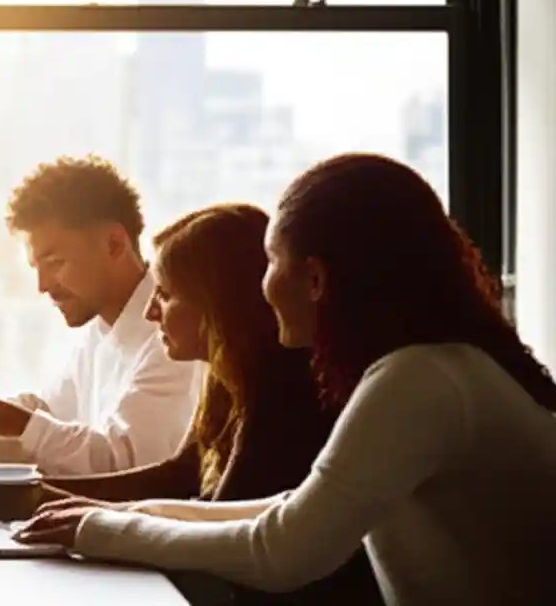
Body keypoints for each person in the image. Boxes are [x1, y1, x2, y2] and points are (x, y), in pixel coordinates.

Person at [16, 154, 556, 605]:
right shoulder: (426, 368)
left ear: (316, 279)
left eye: (271, 260)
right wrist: (118, 516)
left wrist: (102, 530)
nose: (262, 283)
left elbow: (282, 550)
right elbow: (290, 506)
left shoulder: (420, 380)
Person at [39, 203, 378, 604]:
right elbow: (181, 475)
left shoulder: (284, 388)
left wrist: (98, 521)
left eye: (164, 295)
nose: (150, 312)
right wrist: (45, 494)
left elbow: (220, 513)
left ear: (218, 303)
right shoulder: (225, 376)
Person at [0, 155, 200, 475]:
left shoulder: (174, 341)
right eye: (37, 268)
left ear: (114, 244)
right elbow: (50, 417)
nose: (43, 285)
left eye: (55, 263)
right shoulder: (100, 332)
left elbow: (120, 466)